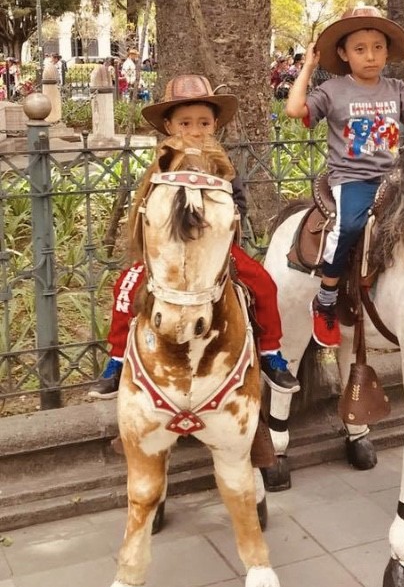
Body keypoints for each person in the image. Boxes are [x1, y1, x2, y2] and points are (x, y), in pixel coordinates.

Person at [89, 74, 300, 398]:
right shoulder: (163, 165)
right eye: (185, 123)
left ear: (215, 125)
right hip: (169, 253)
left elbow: (238, 202)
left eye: (203, 123)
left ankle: (271, 353)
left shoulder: (221, 166)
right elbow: (147, 205)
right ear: (170, 127)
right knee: (126, 286)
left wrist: (226, 216)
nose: (195, 131)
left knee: (263, 283)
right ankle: (117, 359)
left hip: (216, 251)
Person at [285, 5, 404, 348]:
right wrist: (308, 67)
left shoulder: (396, 87)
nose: (371, 56)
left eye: (378, 47)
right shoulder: (335, 91)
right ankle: (326, 296)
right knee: (351, 226)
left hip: (393, 177)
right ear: (343, 53)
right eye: (360, 49)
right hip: (352, 178)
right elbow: (295, 109)